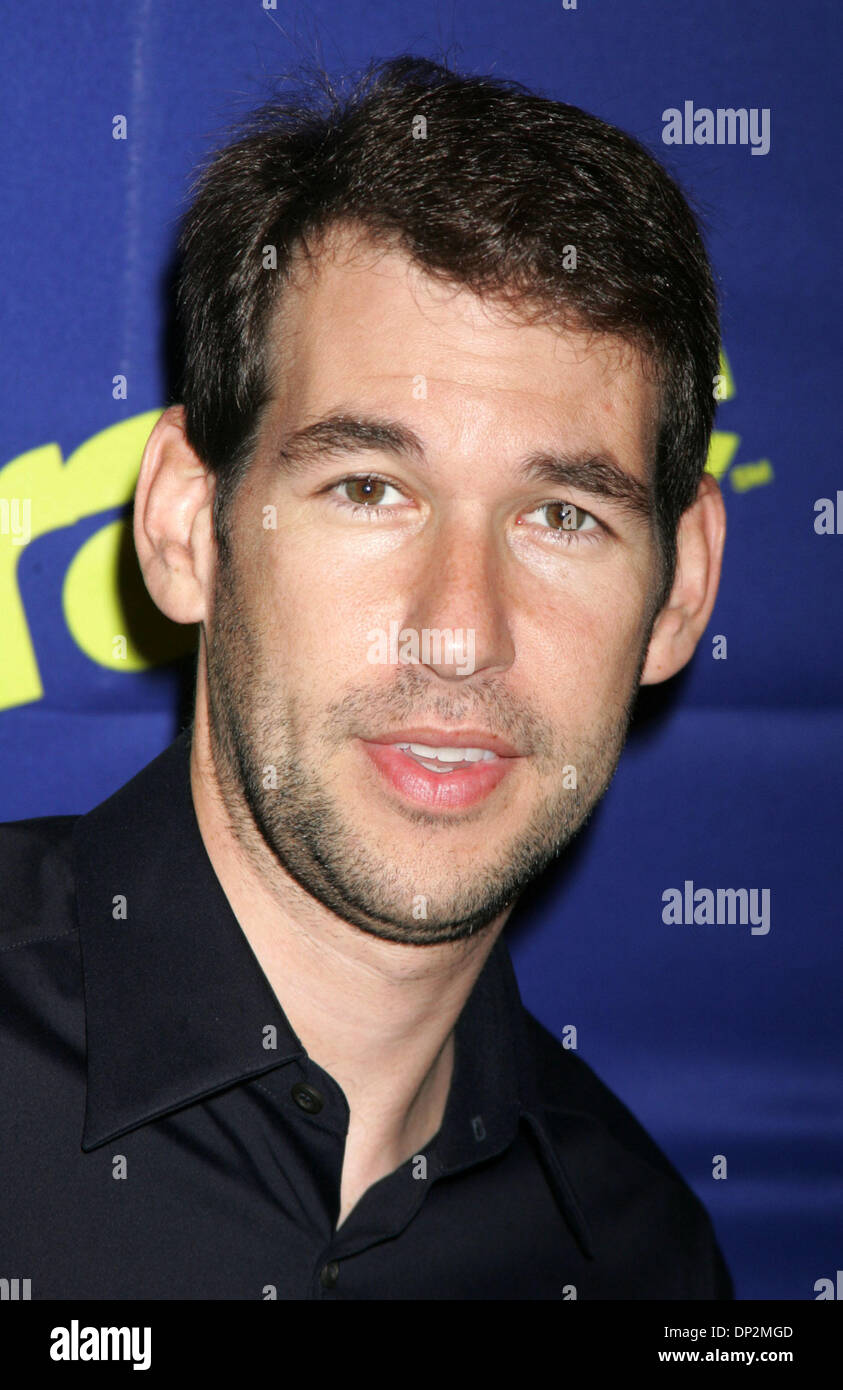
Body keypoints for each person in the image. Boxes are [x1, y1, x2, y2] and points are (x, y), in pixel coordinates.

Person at [0, 55, 731, 1299]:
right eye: (367, 488)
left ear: (680, 591)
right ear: (188, 526)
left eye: (562, 515)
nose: (461, 633)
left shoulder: (644, 1264)